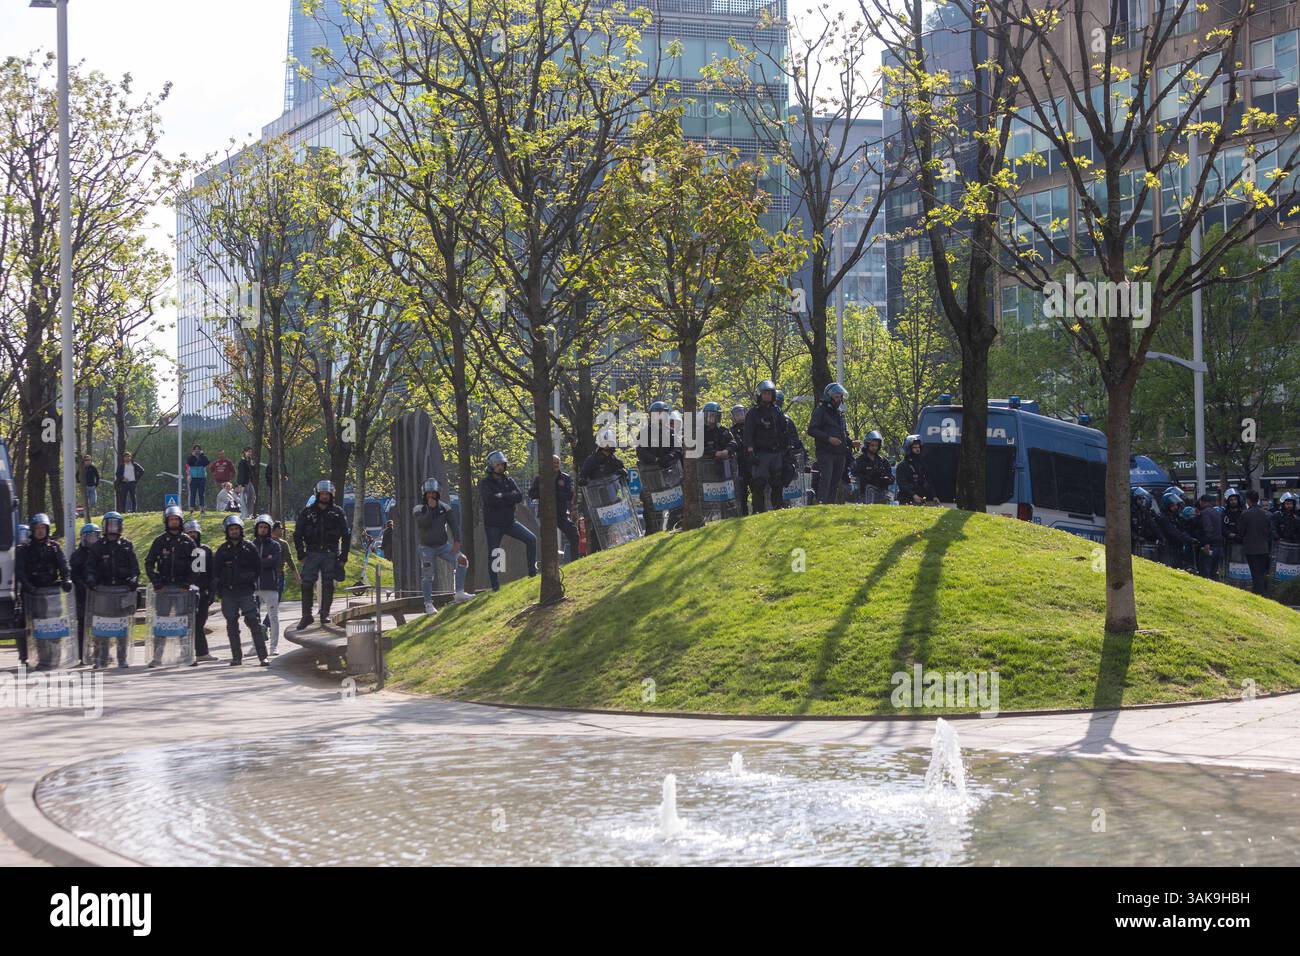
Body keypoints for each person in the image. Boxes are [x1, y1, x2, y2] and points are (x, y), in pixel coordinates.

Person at [14, 513, 73, 669]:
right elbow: (19, 571)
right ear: (32, 530)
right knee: (39, 628)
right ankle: (42, 659)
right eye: (37, 528)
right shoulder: (24, 549)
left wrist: (66, 579)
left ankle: (56, 657)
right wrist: (28, 586)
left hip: (52, 594)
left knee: (54, 626)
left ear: (47, 529)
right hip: (33, 594)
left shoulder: (54, 547)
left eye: (43, 528)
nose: (40, 531)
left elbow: (64, 565)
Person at [84, 510, 140, 669]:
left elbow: (134, 568)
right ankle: (101, 659)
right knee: (103, 627)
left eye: (116, 525)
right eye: (110, 524)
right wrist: (91, 578)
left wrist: (134, 578)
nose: (113, 528)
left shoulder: (126, 546)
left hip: (122, 591)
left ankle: (122, 658)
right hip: (103, 592)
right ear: (105, 526)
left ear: (120, 526)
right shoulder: (97, 547)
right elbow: (90, 567)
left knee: (121, 627)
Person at [144, 505, 198, 667]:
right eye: (171, 519)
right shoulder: (159, 541)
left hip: (182, 589)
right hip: (164, 589)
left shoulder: (188, 542)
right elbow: (149, 563)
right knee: (161, 622)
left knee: (183, 622)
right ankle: (157, 657)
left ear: (180, 521)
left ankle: (186, 656)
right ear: (166, 521)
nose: (174, 522)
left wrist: (187, 582)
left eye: (176, 519)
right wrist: (156, 581)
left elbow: (198, 566)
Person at [212, 515, 269, 666]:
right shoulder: (222, 550)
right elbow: (216, 572)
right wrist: (219, 590)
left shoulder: (249, 548)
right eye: (231, 529)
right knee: (232, 625)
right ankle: (236, 657)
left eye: (236, 529)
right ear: (227, 531)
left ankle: (263, 656)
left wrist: (249, 579)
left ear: (241, 530)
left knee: (254, 622)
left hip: (246, 592)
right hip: (228, 593)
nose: (234, 531)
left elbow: (257, 568)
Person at [293, 479, 352, 628]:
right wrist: (301, 553)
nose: (324, 496)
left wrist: (344, 556)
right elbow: (297, 533)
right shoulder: (307, 512)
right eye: (322, 493)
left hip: (330, 553)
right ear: (317, 494)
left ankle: (324, 613)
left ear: (331, 495)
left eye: (327, 494)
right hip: (312, 552)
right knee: (306, 583)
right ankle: (306, 615)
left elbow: (346, 535)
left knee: (328, 584)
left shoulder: (338, 512)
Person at [413, 478, 474, 613]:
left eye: (433, 493)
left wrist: (457, 541)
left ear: (438, 494)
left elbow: (453, 525)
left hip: (443, 545)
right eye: (429, 493)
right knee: (428, 575)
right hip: (426, 548)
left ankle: (459, 592)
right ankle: (428, 604)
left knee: (462, 560)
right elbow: (423, 523)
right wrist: (430, 509)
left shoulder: (445, 508)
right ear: (424, 494)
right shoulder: (419, 509)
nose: (431, 496)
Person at [478, 451, 537, 591]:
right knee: (495, 553)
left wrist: (501, 496)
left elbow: (519, 496)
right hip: (493, 525)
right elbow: (489, 500)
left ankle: (532, 572)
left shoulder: (509, 480)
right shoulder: (485, 483)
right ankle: (495, 585)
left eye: (502, 464)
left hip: (510, 522)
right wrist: (508, 497)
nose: (501, 467)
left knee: (531, 539)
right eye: (498, 465)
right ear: (491, 466)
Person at [576, 434, 630, 555]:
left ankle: (616, 543)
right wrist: (583, 480)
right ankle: (596, 550)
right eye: (607, 442)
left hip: (613, 497)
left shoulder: (614, 459)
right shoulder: (592, 460)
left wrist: (623, 472)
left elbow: (623, 472)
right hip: (598, 500)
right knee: (599, 526)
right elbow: (582, 476)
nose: (609, 445)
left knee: (614, 523)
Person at [637, 402, 683, 534]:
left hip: (670, 474)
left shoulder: (671, 432)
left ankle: (672, 527)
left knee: (675, 503)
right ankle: (651, 532)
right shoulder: (645, 432)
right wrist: (655, 460)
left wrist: (668, 457)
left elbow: (678, 449)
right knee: (650, 505)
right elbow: (640, 451)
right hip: (651, 477)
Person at [742, 381, 785, 514]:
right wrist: (750, 451)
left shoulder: (777, 411)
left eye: (769, 394)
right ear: (760, 395)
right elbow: (748, 433)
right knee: (759, 484)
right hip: (761, 453)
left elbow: (783, 430)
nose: (767, 396)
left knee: (777, 483)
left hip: (776, 453)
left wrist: (785, 449)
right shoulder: (753, 413)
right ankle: (758, 511)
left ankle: (778, 508)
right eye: (765, 394)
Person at [808, 383, 852, 505]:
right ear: (829, 397)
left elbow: (843, 433)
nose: (839, 400)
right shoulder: (820, 411)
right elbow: (812, 429)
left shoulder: (839, 413)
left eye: (840, 397)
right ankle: (822, 503)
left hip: (840, 453)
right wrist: (828, 439)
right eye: (837, 397)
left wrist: (850, 442)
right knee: (826, 479)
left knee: (835, 482)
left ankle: (831, 506)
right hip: (826, 452)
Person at [529, 456, 580, 561]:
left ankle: (575, 561)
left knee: (574, 534)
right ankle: (546, 563)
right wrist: (544, 493)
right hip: (546, 515)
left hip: (561, 514)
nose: (556, 465)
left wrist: (553, 493)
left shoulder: (565, 478)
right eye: (553, 462)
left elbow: (569, 495)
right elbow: (532, 494)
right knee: (548, 542)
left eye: (557, 462)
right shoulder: (540, 478)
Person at [183, 519, 218, 664]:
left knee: (199, 623)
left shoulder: (205, 550)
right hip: (185, 592)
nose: (192, 535)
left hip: (202, 593)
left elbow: (212, 573)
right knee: (187, 623)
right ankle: (187, 653)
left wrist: (212, 592)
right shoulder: (181, 549)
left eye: (194, 532)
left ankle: (202, 652)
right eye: (189, 532)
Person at [250, 514, 284, 655]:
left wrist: (258, 561)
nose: (263, 529)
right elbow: (248, 564)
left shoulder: (275, 545)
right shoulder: (250, 545)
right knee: (254, 619)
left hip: (270, 586)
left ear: (269, 529)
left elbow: (273, 562)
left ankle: (273, 647)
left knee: (273, 617)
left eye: (265, 527)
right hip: (253, 587)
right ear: (256, 528)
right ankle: (255, 646)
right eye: (260, 527)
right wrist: (264, 560)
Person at [69, 523, 98, 664]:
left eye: (95, 536)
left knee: (99, 624)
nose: (93, 540)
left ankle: (99, 651)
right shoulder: (77, 555)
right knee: (82, 624)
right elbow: (74, 575)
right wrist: (83, 586)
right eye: (90, 537)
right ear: (83, 538)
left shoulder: (99, 552)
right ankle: (81, 654)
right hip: (82, 595)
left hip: (98, 594)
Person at [774, 390, 807, 508]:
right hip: (773, 459)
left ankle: (789, 505)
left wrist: (802, 456)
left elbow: (795, 441)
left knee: (789, 485)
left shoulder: (787, 420)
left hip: (787, 459)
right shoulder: (763, 419)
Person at [1239, 489, 1274, 596]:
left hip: (1251, 548)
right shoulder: (1267, 514)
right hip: (1264, 548)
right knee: (1262, 572)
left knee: (1254, 573)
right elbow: (1271, 531)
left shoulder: (1245, 514)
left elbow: (1241, 532)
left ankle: (1258, 593)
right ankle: (1262, 592)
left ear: (1248, 500)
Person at [1154, 490, 1196, 569]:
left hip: (1176, 546)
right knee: (1169, 567)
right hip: (1167, 546)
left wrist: (1189, 538)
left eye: (1176, 505)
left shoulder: (1174, 516)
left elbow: (1181, 529)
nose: (1176, 507)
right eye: (1173, 505)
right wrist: (1187, 538)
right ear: (1167, 505)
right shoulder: (1163, 517)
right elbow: (1173, 531)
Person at [851, 431, 894, 504]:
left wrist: (885, 479)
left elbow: (891, 477)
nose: (874, 448)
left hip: (881, 493)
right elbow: (854, 477)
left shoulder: (883, 461)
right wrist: (869, 477)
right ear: (867, 445)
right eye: (872, 445)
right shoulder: (859, 460)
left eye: (876, 445)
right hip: (864, 494)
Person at [896, 435, 937, 505]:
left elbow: (929, 481)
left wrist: (934, 496)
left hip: (921, 499)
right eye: (915, 447)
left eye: (918, 447)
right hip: (906, 499)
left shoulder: (922, 464)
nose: (918, 449)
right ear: (908, 449)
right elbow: (902, 484)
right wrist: (913, 495)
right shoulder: (902, 465)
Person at [728, 404, 751, 516]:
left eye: (741, 413)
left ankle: (758, 511)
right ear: (733, 417)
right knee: (742, 494)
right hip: (739, 466)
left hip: (752, 464)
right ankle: (743, 514)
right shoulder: (730, 432)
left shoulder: (751, 428)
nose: (740, 416)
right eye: (737, 414)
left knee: (757, 489)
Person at [1193, 495, 1224, 579]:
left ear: (1202, 502)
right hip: (1218, 546)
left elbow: (1208, 528)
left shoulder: (1205, 513)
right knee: (1214, 572)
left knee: (1205, 572)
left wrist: (1206, 543)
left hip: (1209, 546)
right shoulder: (1216, 512)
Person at [186, 445, 210, 512]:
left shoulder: (203, 457)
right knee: (193, 493)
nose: (197, 450)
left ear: (200, 450)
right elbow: (189, 463)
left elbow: (207, 463)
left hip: (202, 478)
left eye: (198, 449)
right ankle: (192, 508)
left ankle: (202, 508)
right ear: (193, 450)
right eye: (195, 449)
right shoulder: (191, 457)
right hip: (193, 478)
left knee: (201, 493)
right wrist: (192, 456)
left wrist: (202, 455)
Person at [236, 448, 257, 519]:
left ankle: (249, 514)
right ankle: (244, 514)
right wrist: (241, 484)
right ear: (245, 452)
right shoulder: (242, 462)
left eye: (251, 452)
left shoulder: (249, 461)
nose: (250, 453)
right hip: (244, 482)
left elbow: (251, 471)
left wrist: (252, 466)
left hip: (249, 481)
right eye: (248, 452)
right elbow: (241, 474)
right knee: (243, 498)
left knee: (252, 496)